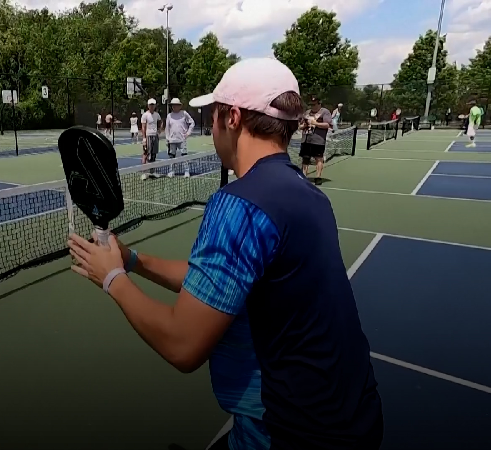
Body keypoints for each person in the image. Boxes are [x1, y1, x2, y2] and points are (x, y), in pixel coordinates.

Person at [67, 58, 383, 450]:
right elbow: (222, 283)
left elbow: (182, 345)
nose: (212, 125)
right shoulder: (308, 195)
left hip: (289, 434)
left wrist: (112, 279)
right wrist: (132, 261)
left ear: (232, 117)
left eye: (213, 115)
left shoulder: (241, 205)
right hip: (353, 420)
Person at [299, 96, 332, 186]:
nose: (312, 106)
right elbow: (300, 126)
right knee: (305, 158)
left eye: (314, 104)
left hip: (318, 140)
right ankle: (304, 176)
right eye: (311, 105)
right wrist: (304, 125)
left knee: (318, 158)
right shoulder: (307, 113)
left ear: (319, 104)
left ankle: (318, 177)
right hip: (306, 139)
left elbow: (327, 125)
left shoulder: (324, 112)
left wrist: (316, 123)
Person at [165, 98, 196, 178]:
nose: (174, 107)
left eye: (176, 105)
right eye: (173, 105)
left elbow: (192, 123)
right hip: (172, 140)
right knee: (172, 156)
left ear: (179, 106)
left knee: (184, 156)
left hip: (182, 139)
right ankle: (171, 171)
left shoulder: (184, 113)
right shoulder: (169, 116)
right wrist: (167, 139)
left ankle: (186, 171)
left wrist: (188, 133)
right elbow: (167, 128)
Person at [141, 98, 162, 180]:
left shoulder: (157, 115)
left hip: (155, 136)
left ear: (155, 106)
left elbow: (161, 122)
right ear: (148, 106)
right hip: (148, 136)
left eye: (153, 105)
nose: (152, 106)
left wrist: (159, 130)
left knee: (153, 155)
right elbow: (143, 127)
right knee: (146, 154)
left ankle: (152, 172)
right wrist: (144, 138)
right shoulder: (145, 115)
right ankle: (144, 173)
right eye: (150, 105)